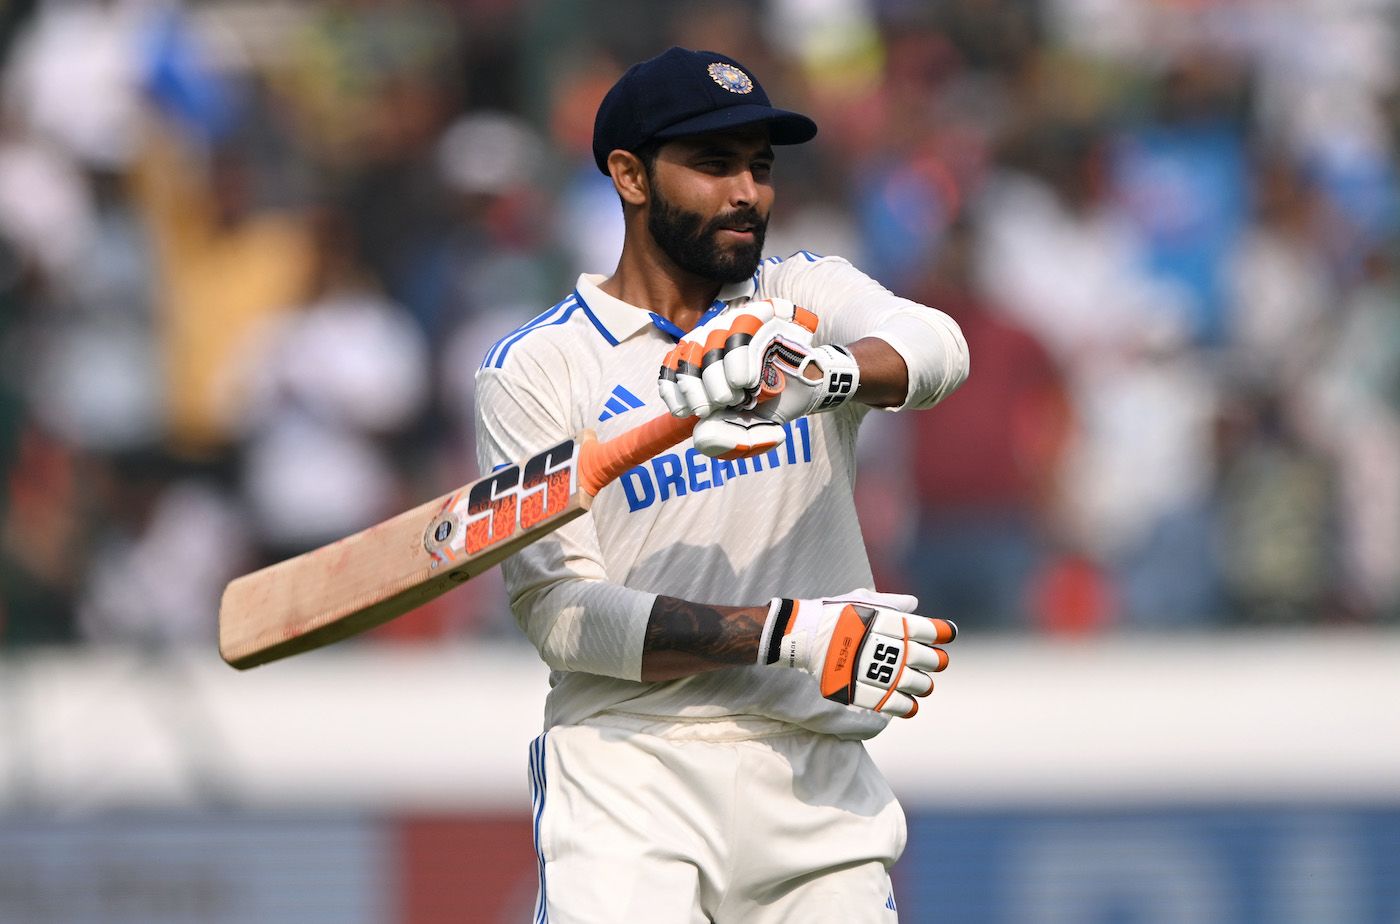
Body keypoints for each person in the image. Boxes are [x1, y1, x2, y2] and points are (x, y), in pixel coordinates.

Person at [473, 47, 969, 923]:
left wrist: (825, 374)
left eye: (760, 166)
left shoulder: (801, 295)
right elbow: (562, 615)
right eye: (712, 165)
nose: (747, 191)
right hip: (632, 770)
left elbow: (938, 349)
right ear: (629, 174)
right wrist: (783, 633)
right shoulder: (539, 368)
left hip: (816, 778)